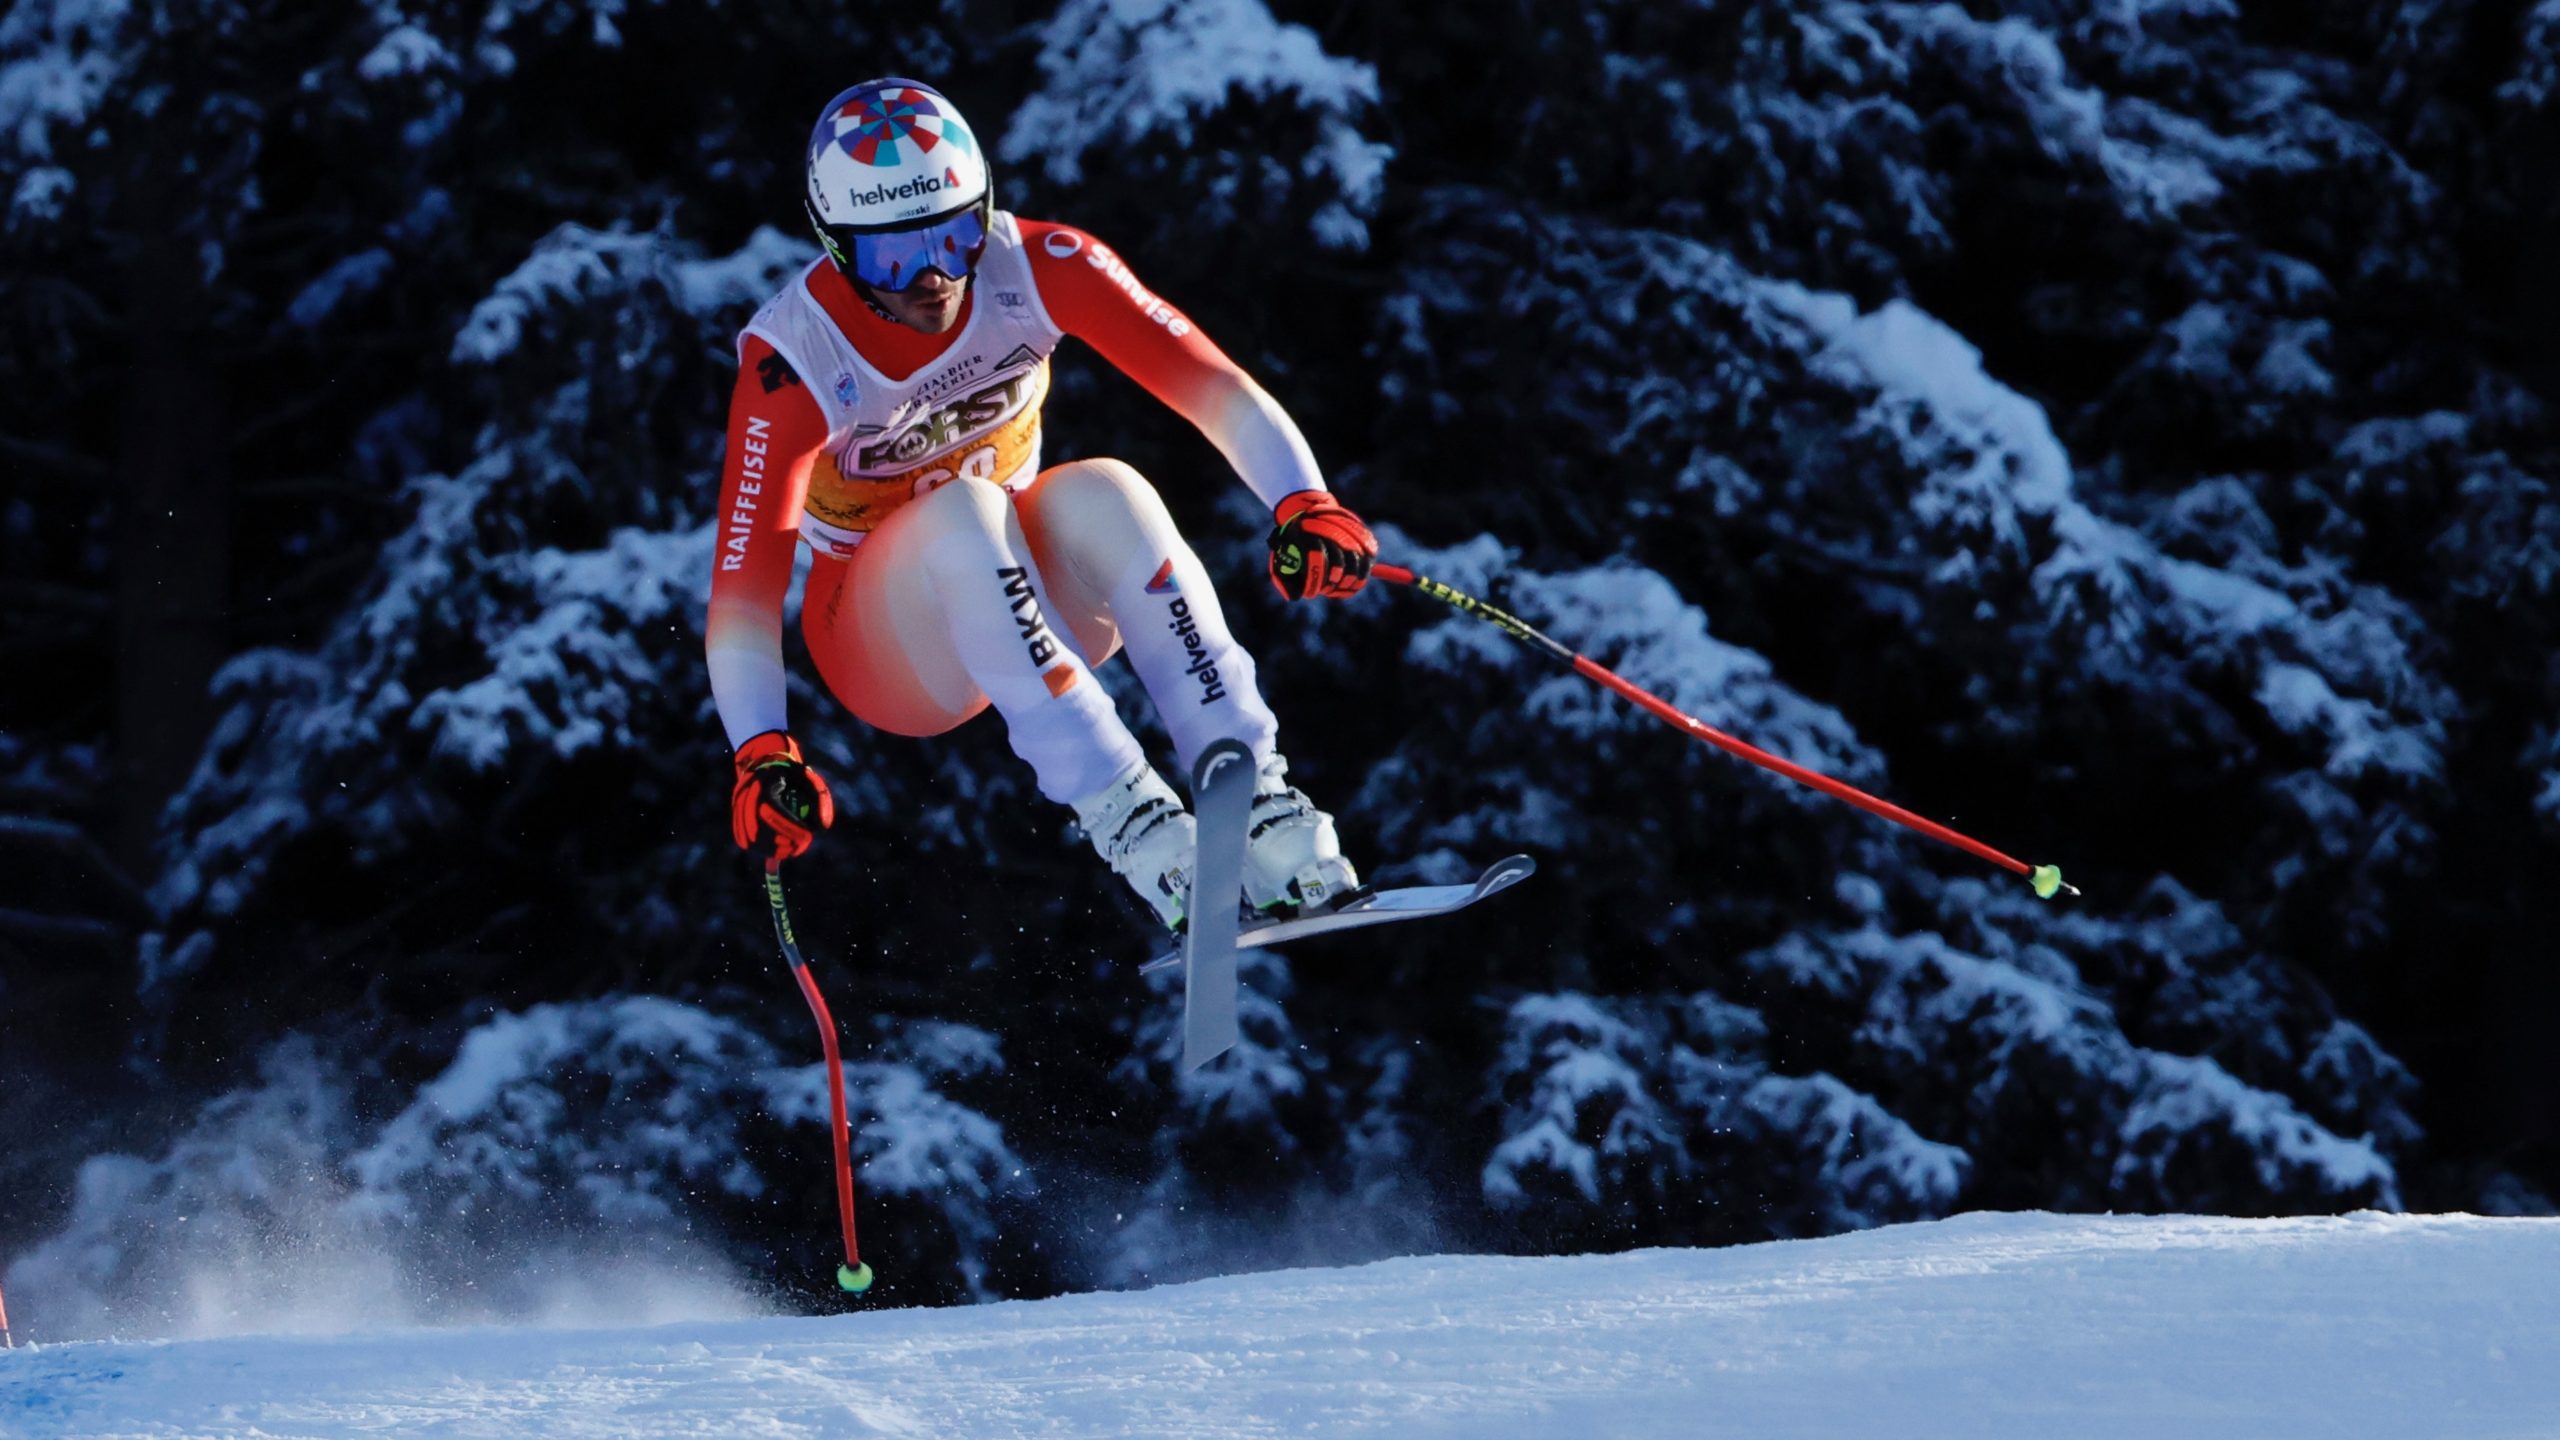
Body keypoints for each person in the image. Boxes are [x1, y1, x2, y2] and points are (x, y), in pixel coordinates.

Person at [707, 77, 1380, 933]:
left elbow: (1211, 385)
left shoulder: (1038, 263)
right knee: (962, 511)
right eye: (892, 258)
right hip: (892, 651)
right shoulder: (795, 362)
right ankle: (1138, 827)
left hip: (1030, 602)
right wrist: (761, 749)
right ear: (835, 248)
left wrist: (1304, 500)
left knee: (1108, 488)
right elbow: (744, 592)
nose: (933, 278)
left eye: (955, 236)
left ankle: (1262, 807)